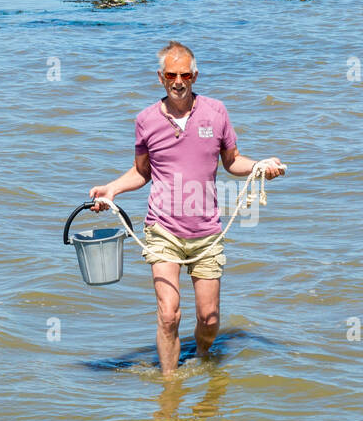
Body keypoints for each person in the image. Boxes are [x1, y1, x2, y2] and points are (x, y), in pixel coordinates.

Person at [89, 41, 285, 376]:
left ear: (195, 76)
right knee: (169, 315)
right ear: (160, 78)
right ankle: (169, 387)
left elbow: (233, 161)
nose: (178, 81)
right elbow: (141, 171)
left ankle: (203, 360)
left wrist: (260, 166)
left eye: (184, 74)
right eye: (171, 74)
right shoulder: (145, 120)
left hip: (207, 232)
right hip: (162, 229)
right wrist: (112, 189)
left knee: (208, 319)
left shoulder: (216, 112)